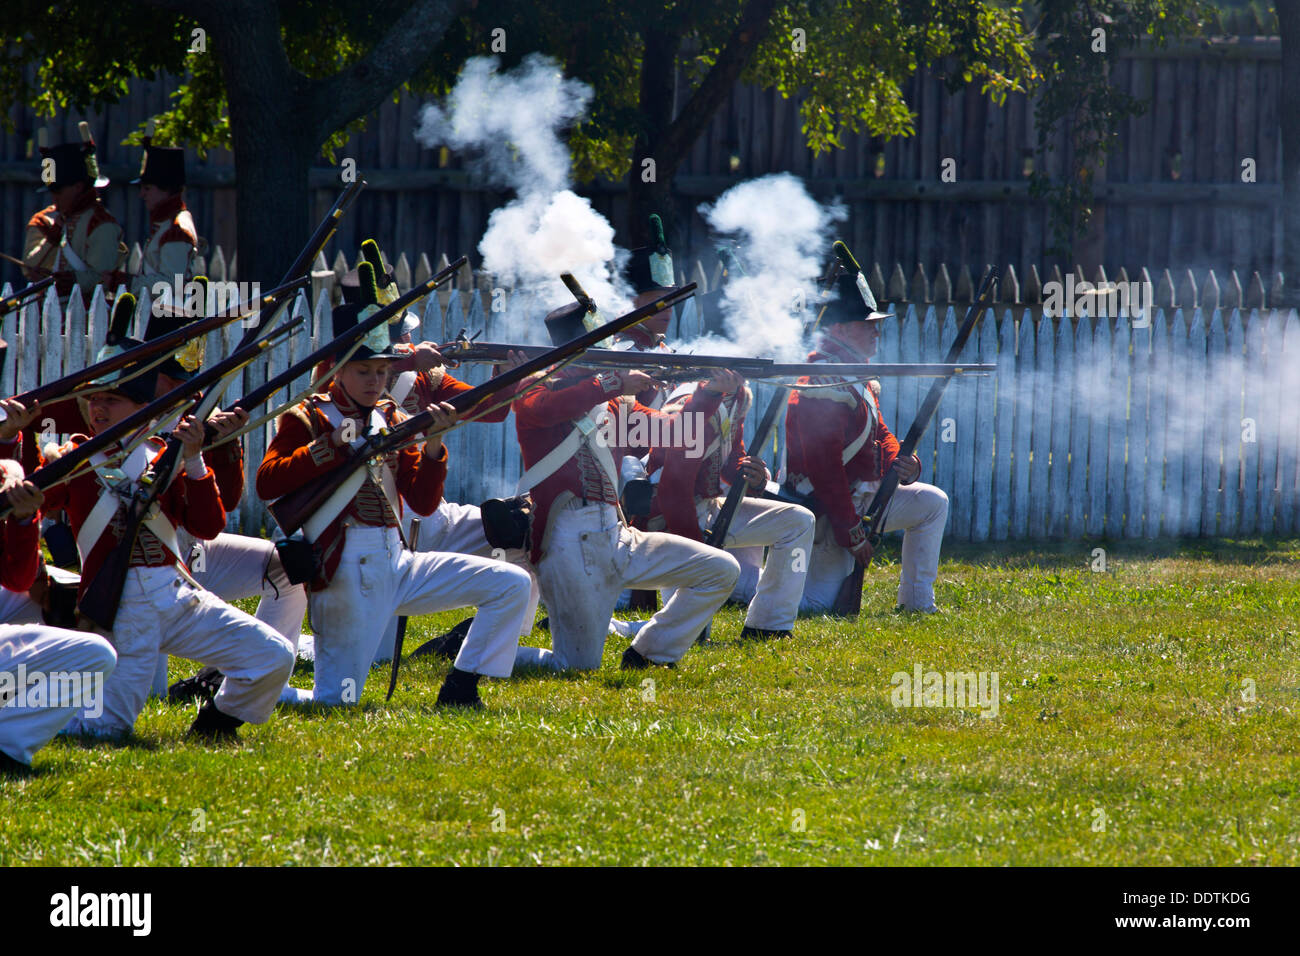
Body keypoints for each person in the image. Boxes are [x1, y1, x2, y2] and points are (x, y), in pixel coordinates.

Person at [256, 264, 533, 708]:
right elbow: (267, 482)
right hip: (344, 573)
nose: (374, 381)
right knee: (335, 702)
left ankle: (460, 687)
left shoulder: (395, 420)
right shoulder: (308, 417)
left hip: (398, 561)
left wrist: (434, 444)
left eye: (381, 371)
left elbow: (422, 503)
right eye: (363, 370)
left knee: (511, 584)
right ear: (340, 370)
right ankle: (245, 687)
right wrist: (330, 449)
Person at [38, 358, 295, 740]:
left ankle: (215, 725)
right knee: (106, 730)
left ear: (144, 409)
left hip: (179, 598)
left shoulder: (165, 457)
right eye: (96, 399)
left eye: (114, 400)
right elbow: (34, 501)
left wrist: (193, 458)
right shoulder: (75, 459)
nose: (99, 408)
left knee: (274, 655)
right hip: (121, 611)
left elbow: (207, 527)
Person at [512, 303, 740, 672]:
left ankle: (649, 652)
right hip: (566, 543)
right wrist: (612, 382)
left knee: (721, 570)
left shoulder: (616, 404)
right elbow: (546, 409)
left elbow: (680, 435)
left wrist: (709, 394)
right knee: (574, 667)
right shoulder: (536, 389)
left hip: (617, 535)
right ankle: (479, 646)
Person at [784, 269, 949, 614]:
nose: (876, 330)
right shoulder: (822, 381)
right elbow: (824, 468)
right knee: (816, 607)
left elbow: (880, 433)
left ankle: (918, 603)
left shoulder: (855, 373)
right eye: (866, 324)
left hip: (863, 497)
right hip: (830, 508)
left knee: (932, 502)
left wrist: (901, 462)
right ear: (840, 330)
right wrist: (852, 531)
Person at [0, 336, 118, 775]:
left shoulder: (7, 465)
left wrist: (22, 520)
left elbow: (16, 576)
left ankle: (7, 745)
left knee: (95, 653)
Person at [645, 371, 814, 639]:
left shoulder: (735, 398)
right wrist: (696, 548)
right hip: (672, 520)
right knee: (685, 635)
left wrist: (753, 476)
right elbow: (673, 490)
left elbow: (731, 456)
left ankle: (770, 625)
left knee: (799, 521)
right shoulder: (694, 405)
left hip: (707, 507)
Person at [22, 126, 127, 303]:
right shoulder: (53, 220)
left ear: (77, 187)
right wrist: (52, 238)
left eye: (58, 192)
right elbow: (31, 270)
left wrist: (72, 281)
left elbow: (102, 278)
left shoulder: (102, 224)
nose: (54, 199)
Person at [131, 141, 198, 295]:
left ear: (166, 189)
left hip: (165, 316)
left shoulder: (176, 230)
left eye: (147, 188)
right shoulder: (166, 222)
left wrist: (129, 283)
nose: (142, 194)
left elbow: (171, 284)